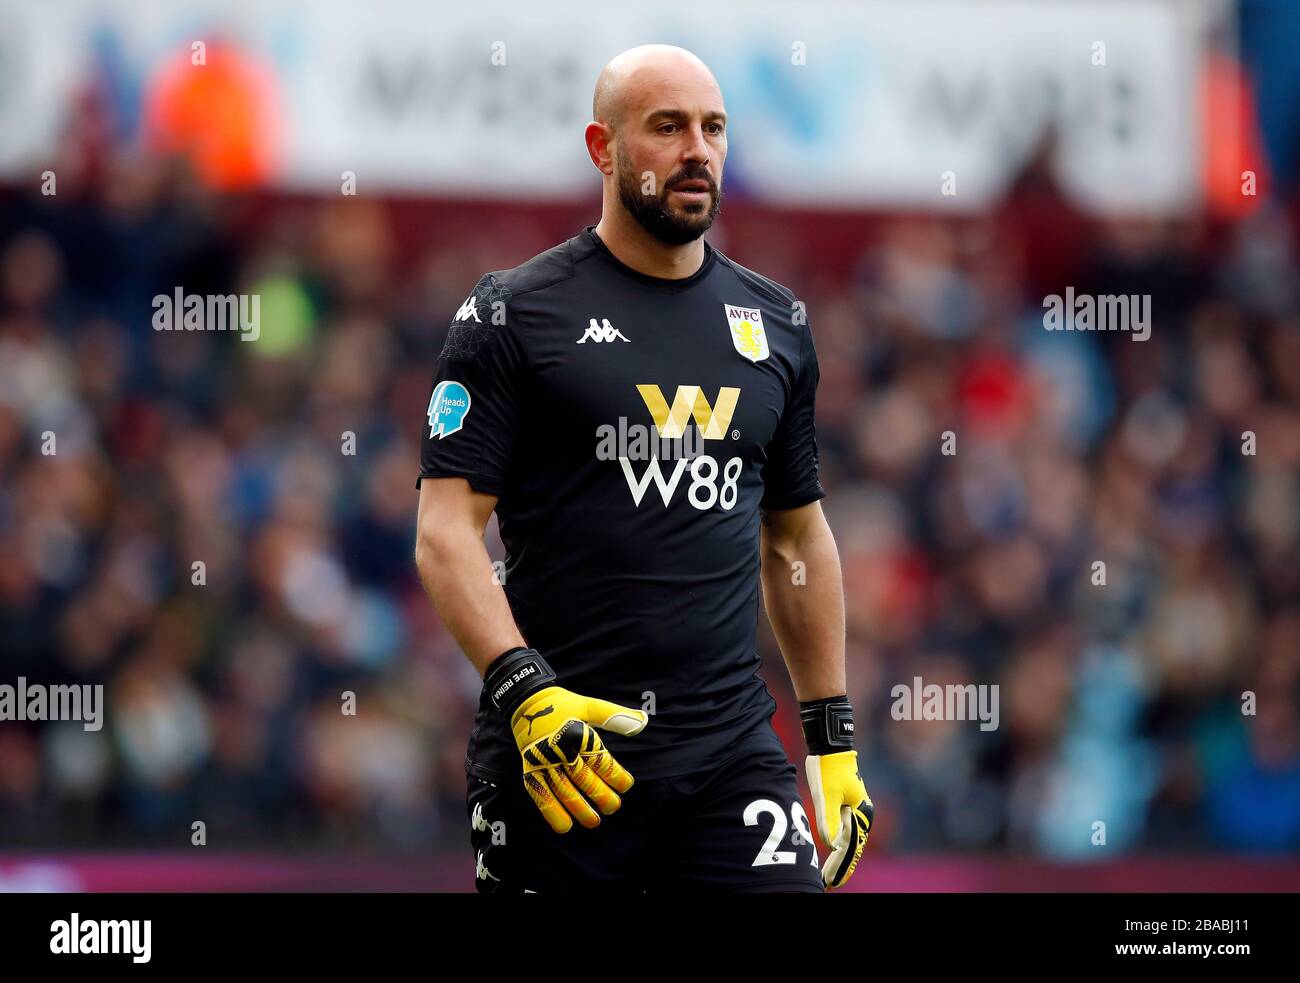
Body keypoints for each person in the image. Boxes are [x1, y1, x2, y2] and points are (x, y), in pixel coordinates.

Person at [414, 44, 873, 892]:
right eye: (668, 127)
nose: (697, 150)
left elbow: (796, 537)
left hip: (731, 762)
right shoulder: (511, 313)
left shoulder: (775, 324)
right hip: (566, 765)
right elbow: (445, 533)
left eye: (714, 128)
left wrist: (831, 735)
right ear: (604, 147)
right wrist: (524, 689)